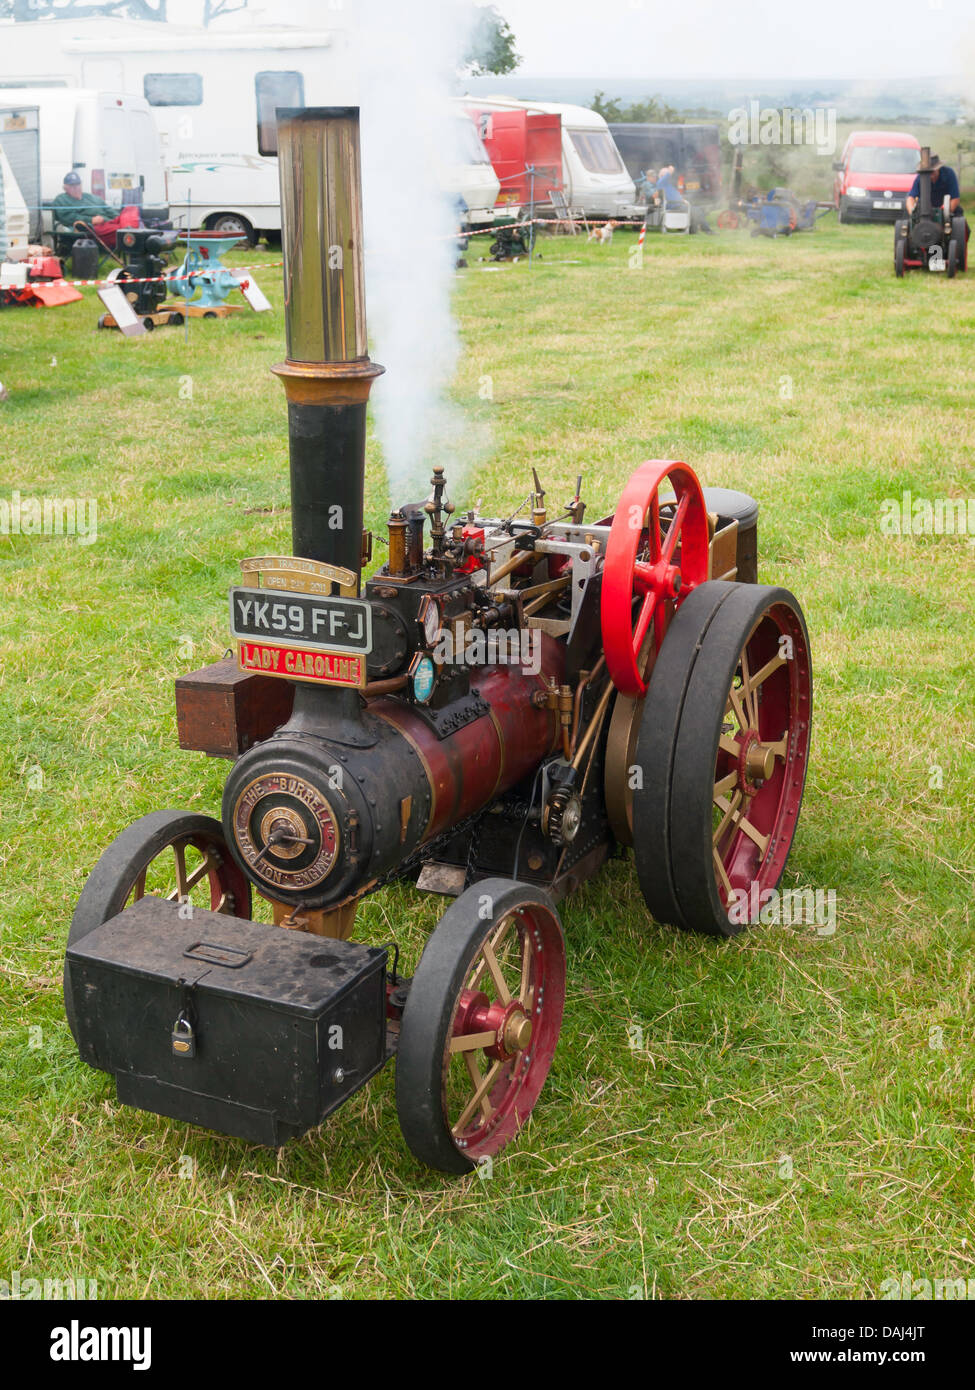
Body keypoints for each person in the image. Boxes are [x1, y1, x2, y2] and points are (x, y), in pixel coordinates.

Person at [48, 171, 139, 250]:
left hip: (110, 222)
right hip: (91, 228)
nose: (76, 188)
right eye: (72, 186)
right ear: (65, 188)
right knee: (120, 231)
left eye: (78, 184)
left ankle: (129, 229)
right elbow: (67, 218)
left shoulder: (92, 197)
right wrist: (91, 220)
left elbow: (110, 211)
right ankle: (133, 232)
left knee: (130, 209)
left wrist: (119, 218)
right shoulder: (61, 199)